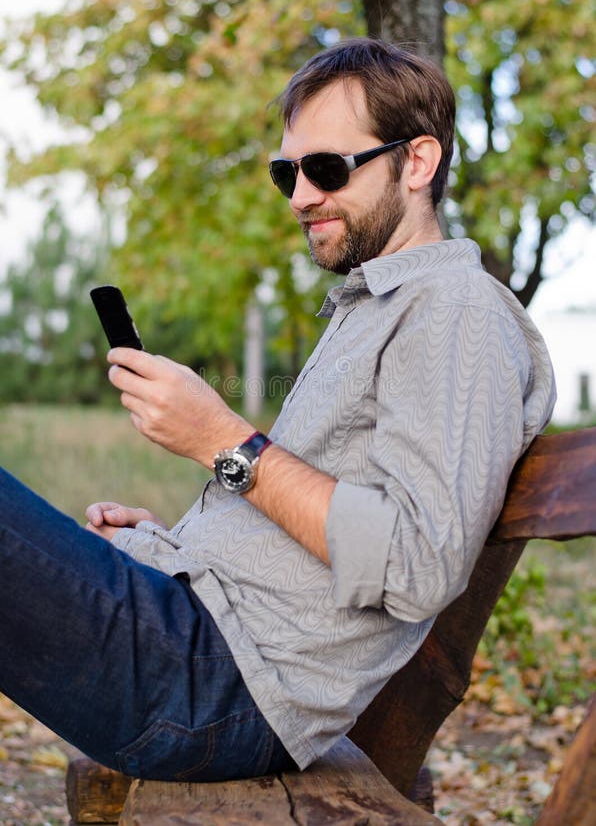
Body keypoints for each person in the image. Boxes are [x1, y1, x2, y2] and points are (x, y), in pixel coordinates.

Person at [0, 38, 555, 782]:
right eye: (285, 172)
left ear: (417, 162)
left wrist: (221, 439)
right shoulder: (378, 308)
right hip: (192, 635)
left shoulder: (454, 310)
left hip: (215, 685)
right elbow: (311, 519)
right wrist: (176, 543)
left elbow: (419, 565)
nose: (299, 196)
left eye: (326, 168)